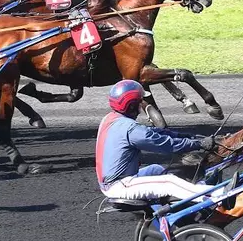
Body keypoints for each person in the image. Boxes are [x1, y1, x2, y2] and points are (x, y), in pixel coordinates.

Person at [95, 80, 229, 203]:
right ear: (131, 106)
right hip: (119, 185)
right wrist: (198, 144)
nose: (141, 107)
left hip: (115, 181)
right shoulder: (130, 129)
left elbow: (156, 133)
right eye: (140, 102)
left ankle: (193, 192)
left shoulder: (111, 119)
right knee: (168, 183)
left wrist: (190, 137)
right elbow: (166, 144)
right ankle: (219, 195)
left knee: (156, 169)